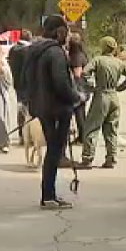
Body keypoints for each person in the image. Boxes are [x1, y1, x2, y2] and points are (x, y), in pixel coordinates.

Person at [20, 15, 83, 210]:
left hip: (42, 108)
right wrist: (77, 97)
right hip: (56, 110)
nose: (69, 35)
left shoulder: (34, 50)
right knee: (54, 153)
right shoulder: (55, 52)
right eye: (67, 31)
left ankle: (49, 194)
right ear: (59, 32)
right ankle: (48, 196)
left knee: (52, 152)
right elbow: (61, 84)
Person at [79, 36, 126, 169]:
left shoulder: (98, 60)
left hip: (101, 95)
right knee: (111, 129)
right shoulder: (119, 62)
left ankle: (87, 158)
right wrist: (120, 87)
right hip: (114, 96)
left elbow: (84, 73)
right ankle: (111, 158)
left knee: (92, 127)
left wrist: (90, 87)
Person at [68, 33, 90, 145]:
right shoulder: (82, 54)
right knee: (80, 113)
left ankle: (82, 137)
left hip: (78, 87)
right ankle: (82, 136)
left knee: (79, 114)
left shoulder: (76, 56)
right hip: (84, 87)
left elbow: (77, 73)